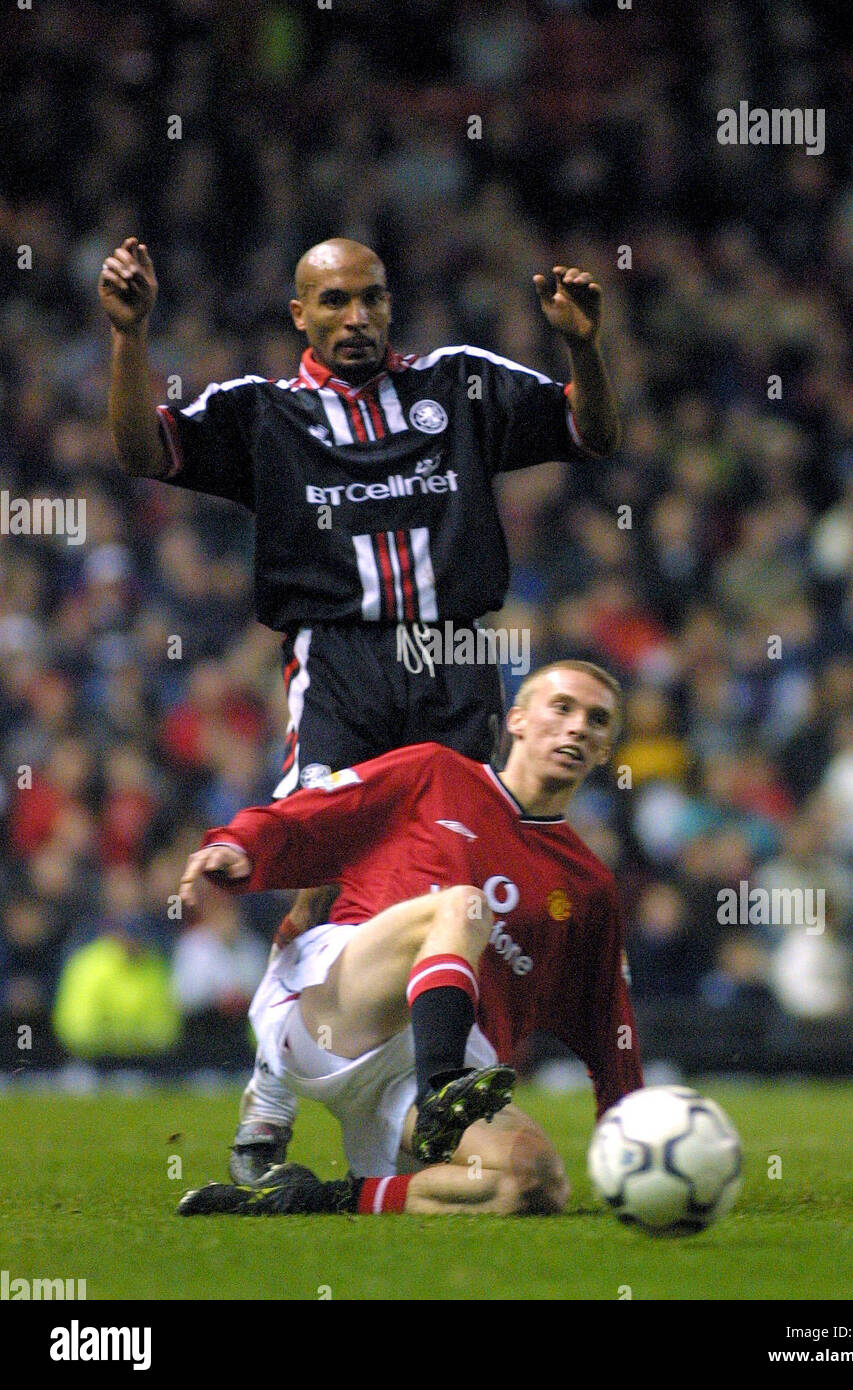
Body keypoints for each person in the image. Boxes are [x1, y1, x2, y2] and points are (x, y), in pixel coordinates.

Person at [98, 234, 619, 1180]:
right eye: (333, 302)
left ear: (391, 303)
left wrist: (582, 347)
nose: (356, 318)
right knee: (320, 871)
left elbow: (593, 432)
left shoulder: (459, 384)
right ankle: (270, 1095)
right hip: (338, 659)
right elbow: (143, 451)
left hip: (454, 653)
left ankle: (433, 1089)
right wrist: (130, 338)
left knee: (456, 881)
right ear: (299, 314)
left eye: (371, 299)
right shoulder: (263, 414)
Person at [175, 662, 642, 1216]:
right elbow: (317, 814)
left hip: (419, 1072)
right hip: (344, 1014)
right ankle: (433, 1087)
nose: (577, 728)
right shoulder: (435, 773)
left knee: (533, 1184)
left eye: (597, 720)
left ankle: (318, 1199)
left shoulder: (589, 885)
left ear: (606, 748)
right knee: (465, 906)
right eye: (562, 708)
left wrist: (636, 1139)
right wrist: (238, 844)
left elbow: (608, 1022)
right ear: (516, 719)